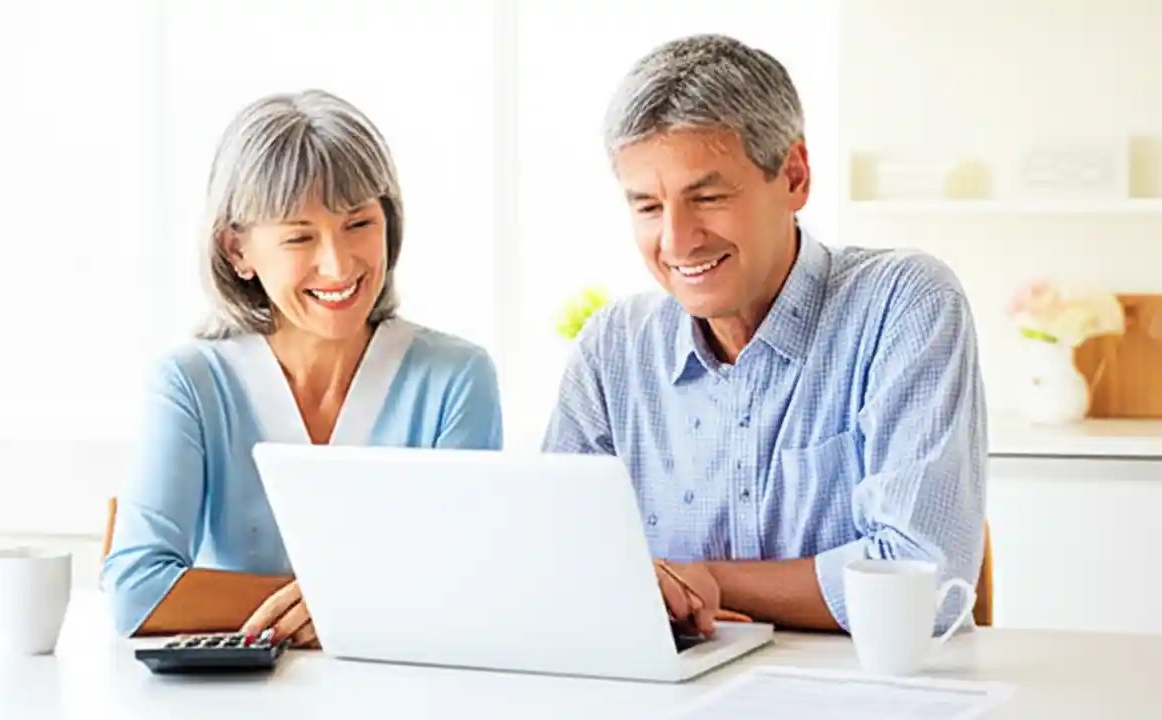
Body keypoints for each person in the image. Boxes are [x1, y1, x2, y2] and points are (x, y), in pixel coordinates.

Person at [543, 34, 986, 638]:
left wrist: (707, 580)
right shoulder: (613, 349)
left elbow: (922, 581)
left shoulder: (904, 305)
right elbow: (554, 562)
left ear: (795, 176)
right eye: (648, 207)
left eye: (709, 197)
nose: (677, 241)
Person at [102, 89, 503, 645]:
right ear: (237, 250)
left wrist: (332, 603)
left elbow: (470, 589)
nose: (338, 264)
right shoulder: (191, 385)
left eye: (359, 224)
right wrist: (346, 603)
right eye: (299, 237)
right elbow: (136, 591)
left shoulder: (456, 379)